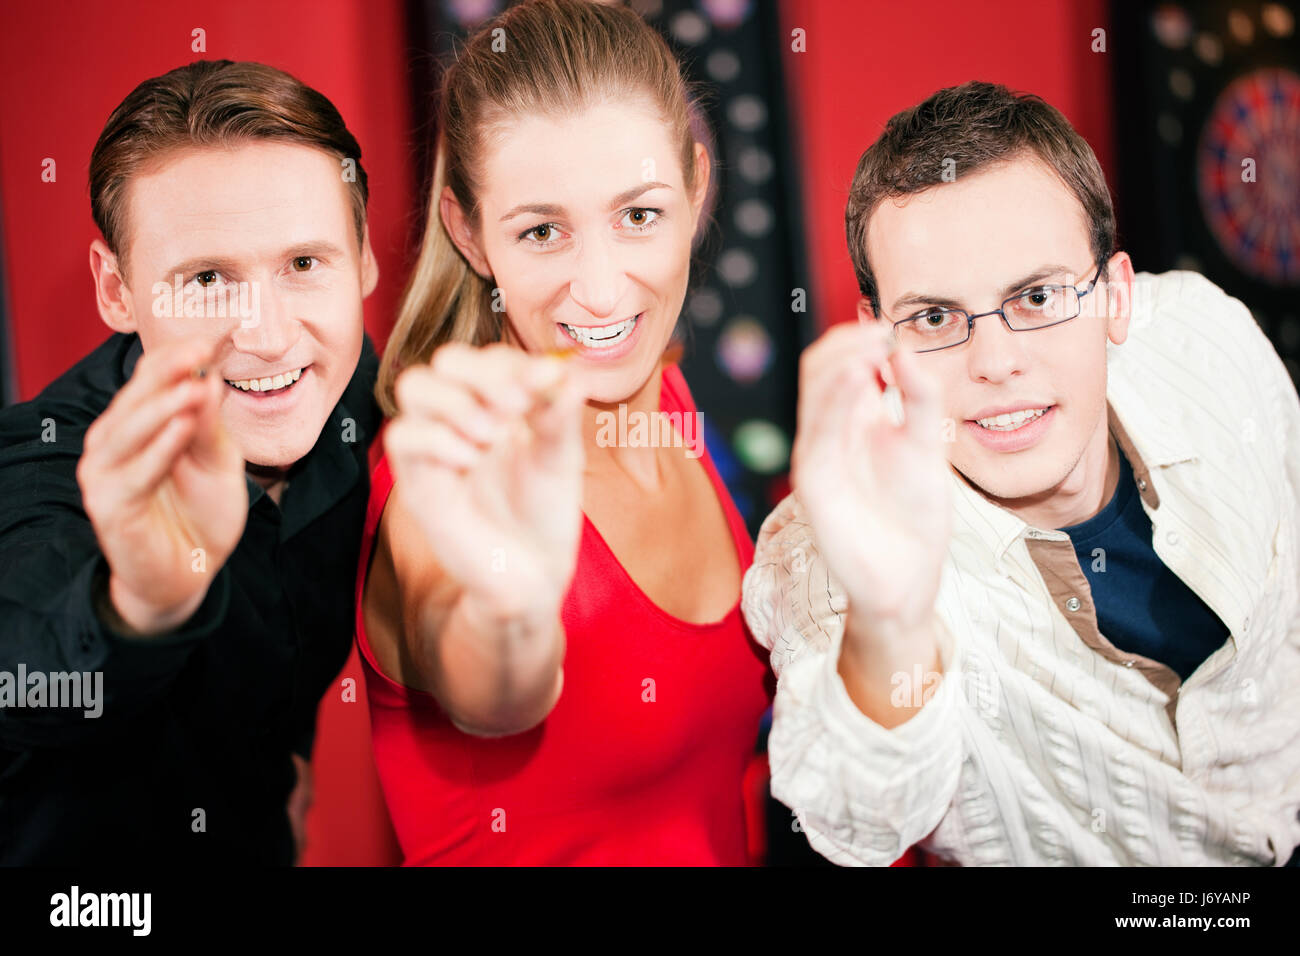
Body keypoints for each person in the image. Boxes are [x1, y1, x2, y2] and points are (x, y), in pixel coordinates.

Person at [742, 81, 1300, 866]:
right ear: (879, 340)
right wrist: (890, 621)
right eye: (935, 318)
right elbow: (857, 825)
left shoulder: (1208, 342)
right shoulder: (826, 548)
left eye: (1036, 297)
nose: (996, 363)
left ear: (1115, 297)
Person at [357, 0, 771, 865]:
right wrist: (509, 604)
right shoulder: (453, 480)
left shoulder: (667, 393)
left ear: (697, 188)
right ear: (469, 236)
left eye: (639, 216)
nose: (601, 290)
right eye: (542, 231)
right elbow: (492, 692)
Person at [0, 59, 382, 865]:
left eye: (305, 265)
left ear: (364, 260)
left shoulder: (359, 391)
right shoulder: (42, 464)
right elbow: (27, 672)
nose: (270, 336)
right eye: (208, 279)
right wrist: (145, 599)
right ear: (117, 290)